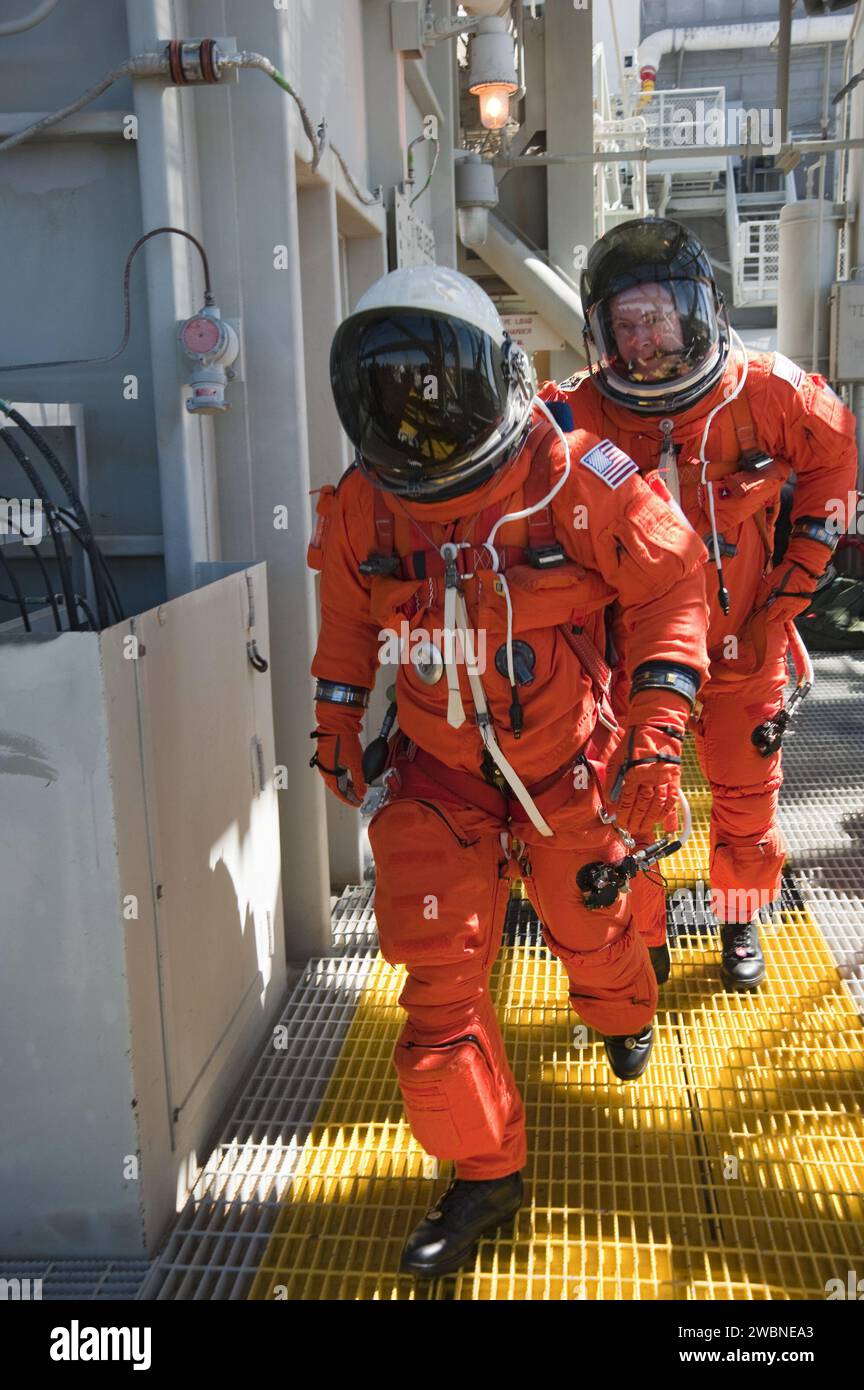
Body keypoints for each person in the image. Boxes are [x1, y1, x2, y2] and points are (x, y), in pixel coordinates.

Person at [308, 265, 708, 1279]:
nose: (422, 434)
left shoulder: (578, 475)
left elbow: (672, 587)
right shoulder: (368, 505)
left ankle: (624, 1012)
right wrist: (337, 715)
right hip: (440, 773)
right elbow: (351, 615)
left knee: (596, 933)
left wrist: (659, 731)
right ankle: (487, 1171)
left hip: (568, 763)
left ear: (497, 375)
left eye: (436, 404)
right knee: (435, 984)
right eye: (396, 410)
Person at [540, 217, 859, 990]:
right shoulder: (576, 413)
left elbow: (838, 453)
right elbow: (516, 490)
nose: (643, 341)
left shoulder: (767, 392)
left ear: (692, 311)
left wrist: (788, 595)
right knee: (630, 805)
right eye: (625, 325)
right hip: (632, 665)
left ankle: (741, 918)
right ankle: (645, 937)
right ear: (602, 334)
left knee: (746, 801)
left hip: (746, 645)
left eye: (654, 318)